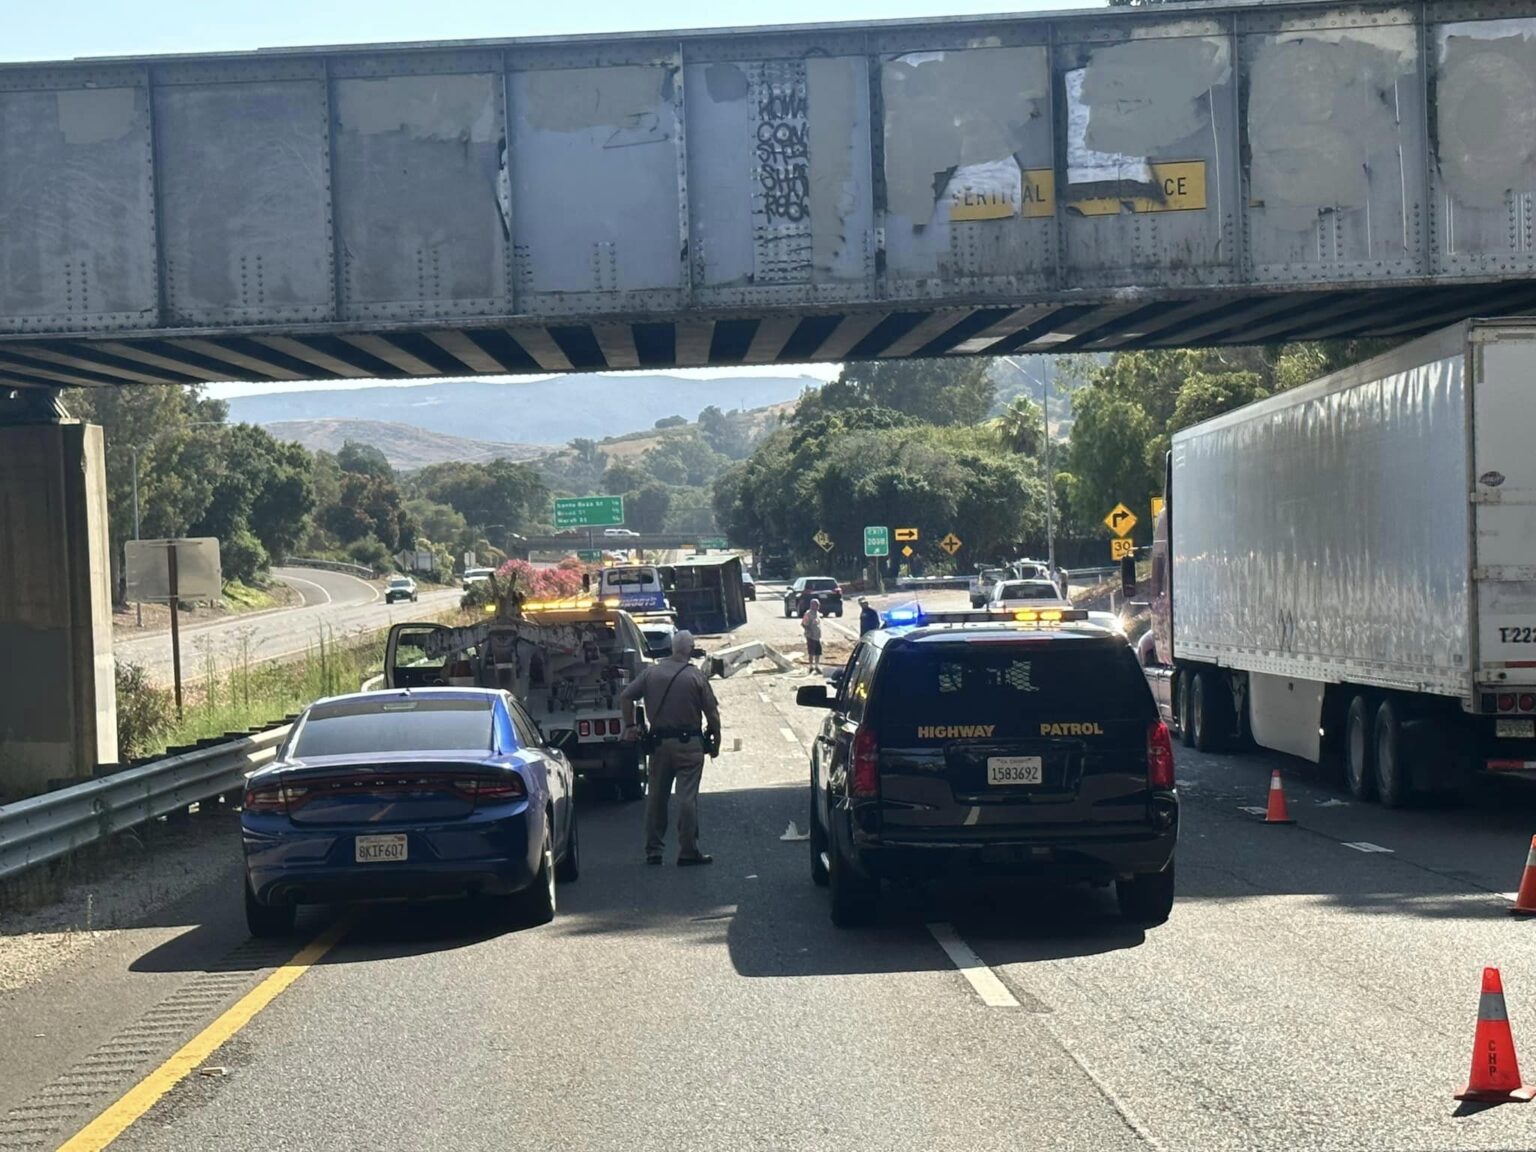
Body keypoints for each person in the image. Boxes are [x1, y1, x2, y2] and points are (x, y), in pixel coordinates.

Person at [620, 630, 722, 867]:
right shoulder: (695, 676)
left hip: (659, 745)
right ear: (691, 649)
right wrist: (716, 738)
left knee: (656, 796)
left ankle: (653, 850)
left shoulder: (651, 673)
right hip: (690, 745)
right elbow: (712, 712)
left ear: (672, 649)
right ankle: (688, 850)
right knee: (687, 798)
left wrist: (631, 726)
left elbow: (626, 696)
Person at [801, 599, 823, 674]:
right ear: (812, 605)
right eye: (816, 605)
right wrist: (809, 630)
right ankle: (811, 667)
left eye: (818, 605)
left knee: (818, 652)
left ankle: (816, 666)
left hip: (817, 636)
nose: (817, 606)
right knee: (811, 652)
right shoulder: (808, 614)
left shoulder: (817, 614)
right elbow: (803, 624)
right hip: (811, 636)